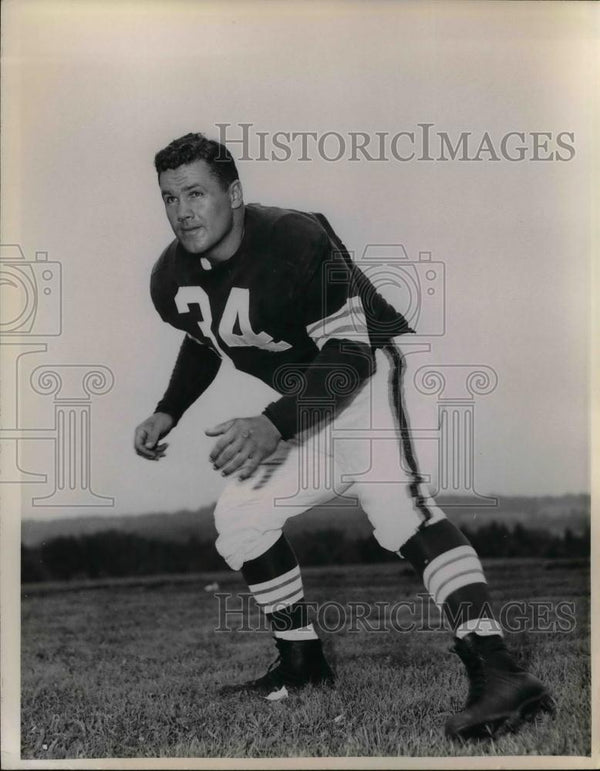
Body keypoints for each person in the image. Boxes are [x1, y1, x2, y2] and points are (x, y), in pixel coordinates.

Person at [134, 132, 553, 740]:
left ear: (236, 193)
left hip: (374, 368)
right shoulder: (170, 276)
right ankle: (303, 663)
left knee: (396, 511)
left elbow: (350, 355)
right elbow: (205, 339)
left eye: (196, 193)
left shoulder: (294, 239)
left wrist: (274, 422)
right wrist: (167, 409)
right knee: (243, 516)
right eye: (169, 198)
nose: (183, 211)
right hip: (312, 397)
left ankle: (501, 670)